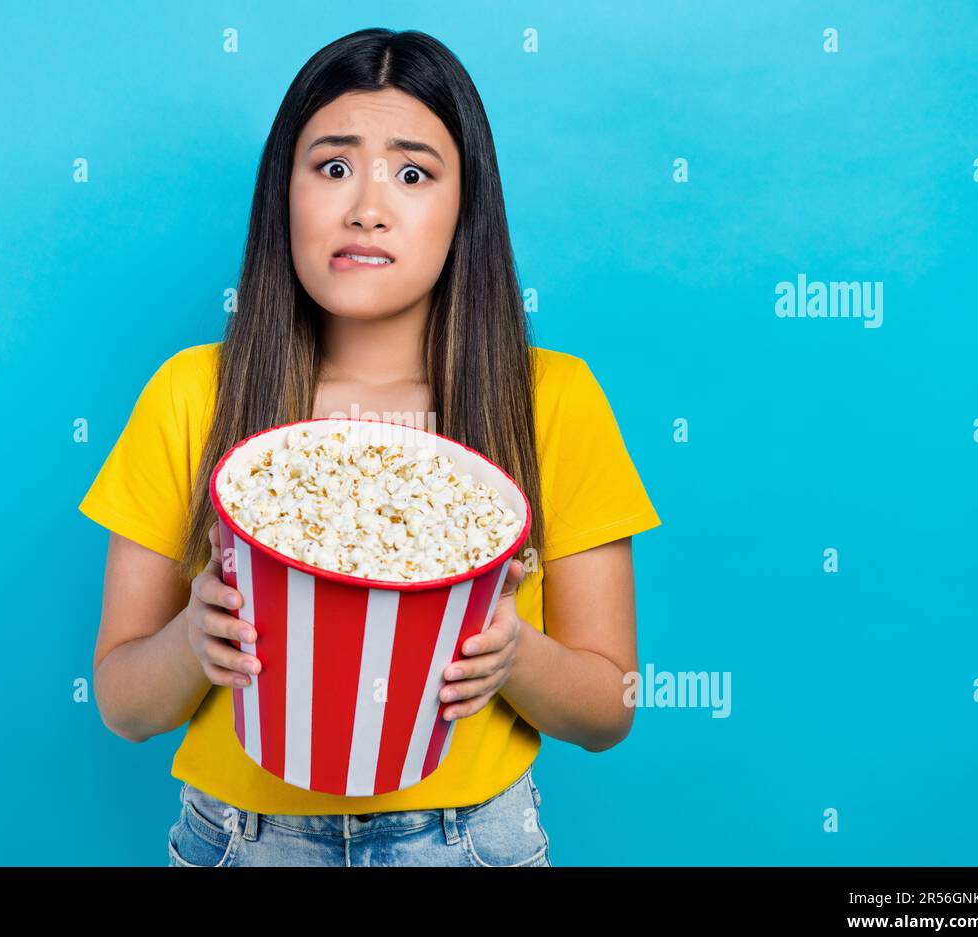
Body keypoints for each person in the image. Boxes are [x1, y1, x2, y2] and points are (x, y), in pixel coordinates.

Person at [77, 28, 661, 866]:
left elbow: (609, 710)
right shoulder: (193, 394)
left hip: (467, 841)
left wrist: (514, 655)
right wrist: (193, 640)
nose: (367, 207)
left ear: (466, 207)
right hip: (240, 840)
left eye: (413, 174)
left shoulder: (550, 400)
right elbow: (122, 705)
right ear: (283, 192)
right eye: (332, 167)